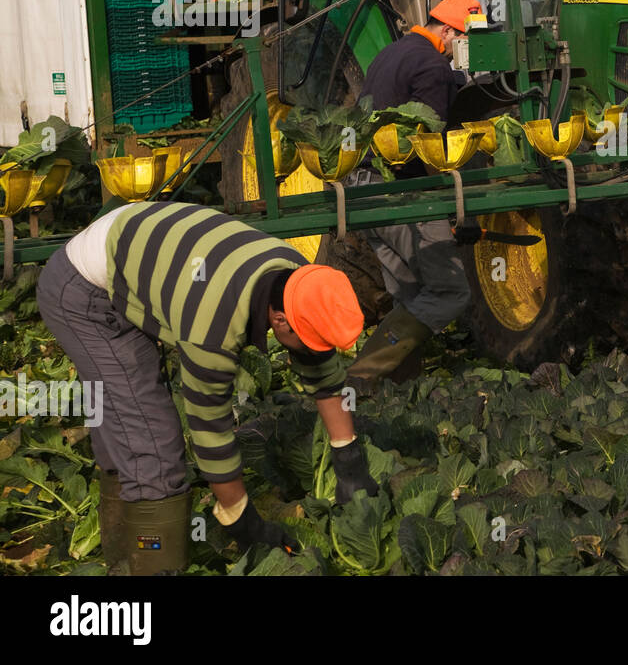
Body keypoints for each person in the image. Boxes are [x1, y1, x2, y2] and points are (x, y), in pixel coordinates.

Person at [35, 201, 379, 574]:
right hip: (82, 294)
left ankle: (123, 559)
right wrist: (241, 519)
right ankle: (151, 573)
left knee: (124, 421)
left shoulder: (296, 275)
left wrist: (350, 460)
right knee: (152, 442)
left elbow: (322, 371)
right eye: (309, 342)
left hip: (134, 254)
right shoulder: (213, 324)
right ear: (280, 321)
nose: (316, 353)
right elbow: (209, 429)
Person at [343, 0, 480, 382]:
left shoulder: (391, 53)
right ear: (449, 31)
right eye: (468, 40)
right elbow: (431, 143)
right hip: (399, 195)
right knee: (451, 292)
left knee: (409, 296)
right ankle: (360, 378)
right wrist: (457, 206)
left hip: (364, 189)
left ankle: (397, 395)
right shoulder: (433, 67)